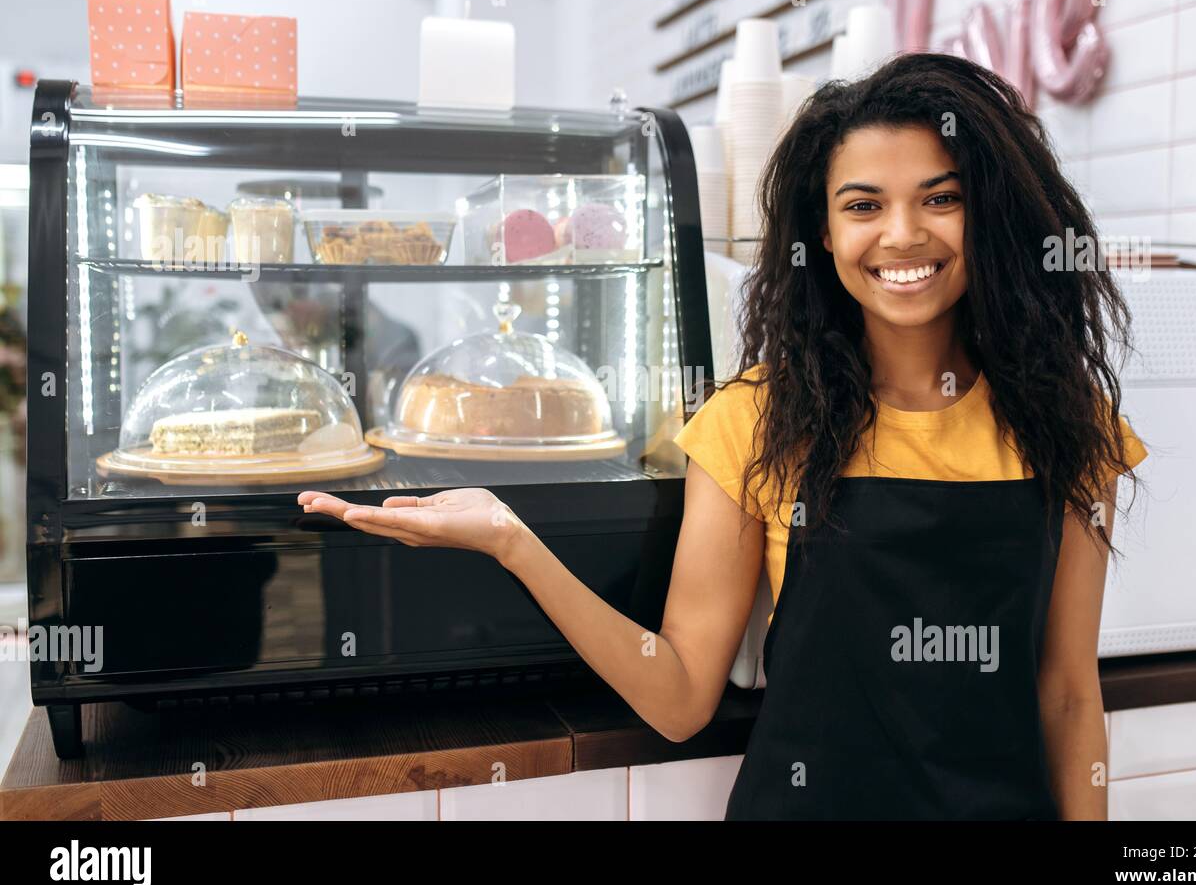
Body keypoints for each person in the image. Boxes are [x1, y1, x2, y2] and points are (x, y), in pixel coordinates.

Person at [299, 52, 1146, 820]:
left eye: (942, 197)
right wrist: (511, 540)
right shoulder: (758, 420)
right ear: (824, 233)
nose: (902, 234)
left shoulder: (1071, 428)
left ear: (988, 213)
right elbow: (679, 696)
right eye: (864, 205)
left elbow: (1068, 695)